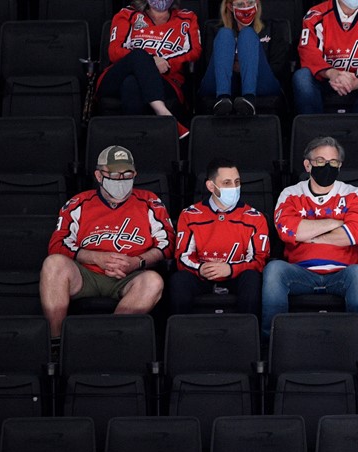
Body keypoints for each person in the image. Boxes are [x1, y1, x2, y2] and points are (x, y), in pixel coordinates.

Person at [40, 145, 174, 340]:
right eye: (114, 174)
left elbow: (168, 244)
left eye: (127, 174)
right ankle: (56, 343)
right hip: (86, 274)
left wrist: (137, 262)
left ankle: (108, 339)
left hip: (130, 275)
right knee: (53, 264)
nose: (121, 179)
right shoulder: (79, 203)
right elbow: (57, 245)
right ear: (99, 175)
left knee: (153, 281)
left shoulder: (150, 202)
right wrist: (94, 257)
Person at [261, 136, 358, 337]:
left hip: (343, 273)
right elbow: (287, 231)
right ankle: (271, 341)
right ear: (307, 165)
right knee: (274, 269)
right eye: (320, 161)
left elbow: (356, 233)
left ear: (340, 166)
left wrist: (309, 235)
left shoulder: (354, 193)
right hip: (299, 273)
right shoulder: (290, 194)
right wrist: (335, 222)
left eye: (333, 162)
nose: (327, 166)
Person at [169, 158, 269, 317]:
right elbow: (182, 257)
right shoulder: (190, 215)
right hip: (202, 276)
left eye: (237, 182)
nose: (234, 187)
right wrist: (201, 269)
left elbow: (259, 260)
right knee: (179, 280)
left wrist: (230, 269)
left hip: (237, 277)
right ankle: (182, 331)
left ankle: (247, 330)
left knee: (252, 278)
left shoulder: (255, 217)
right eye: (227, 183)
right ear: (210, 186)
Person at [97, 0, 200, 138]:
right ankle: (164, 114)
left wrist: (166, 64)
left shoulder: (187, 18)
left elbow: (194, 52)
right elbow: (115, 52)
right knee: (139, 55)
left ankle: (134, 142)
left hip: (166, 79)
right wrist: (151, 60)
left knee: (132, 83)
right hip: (117, 78)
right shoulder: (127, 14)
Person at [293, 0, 358, 115]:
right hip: (325, 79)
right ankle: (314, 126)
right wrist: (332, 74)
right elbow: (309, 53)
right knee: (302, 77)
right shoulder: (316, 14)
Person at [201, 0, 285, 116]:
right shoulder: (215, 30)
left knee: (247, 34)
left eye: (250, 3)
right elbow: (208, 65)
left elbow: (278, 67)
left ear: (257, 3)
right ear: (230, 6)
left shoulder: (273, 28)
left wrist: (248, 65)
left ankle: (249, 99)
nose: (246, 8)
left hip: (260, 80)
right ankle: (223, 100)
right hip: (224, 82)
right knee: (225, 34)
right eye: (240, 4)